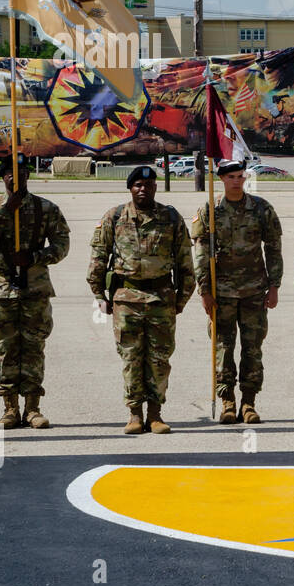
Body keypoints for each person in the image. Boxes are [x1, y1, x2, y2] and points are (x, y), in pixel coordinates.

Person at [88, 166, 194, 434]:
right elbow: (99, 259)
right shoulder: (114, 217)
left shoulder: (171, 217)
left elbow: (185, 263)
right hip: (126, 299)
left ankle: (155, 414)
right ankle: (135, 413)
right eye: (137, 184)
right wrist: (100, 295)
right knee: (131, 357)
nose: (143, 188)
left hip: (161, 298)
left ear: (156, 187)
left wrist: (180, 300)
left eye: (148, 184)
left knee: (159, 359)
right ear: (130, 188)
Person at [0, 154, 69, 430]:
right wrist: (6, 212)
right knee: (7, 350)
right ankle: (10, 408)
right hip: (3, 290)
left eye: (23, 172)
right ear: (3, 177)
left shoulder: (45, 208)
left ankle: (33, 408)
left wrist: (36, 256)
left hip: (35, 289)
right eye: (12, 173)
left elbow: (62, 245)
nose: (18, 177)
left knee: (34, 348)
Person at [191, 159, 283, 424]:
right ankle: (227, 400)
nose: (236, 181)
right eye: (231, 176)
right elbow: (201, 253)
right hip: (222, 293)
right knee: (223, 348)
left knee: (253, 349)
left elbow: (274, 248)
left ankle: (249, 403)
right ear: (221, 179)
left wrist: (274, 286)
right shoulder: (210, 209)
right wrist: (204, 290)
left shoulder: (261, 208)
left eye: (240, 176)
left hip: (254, 291)